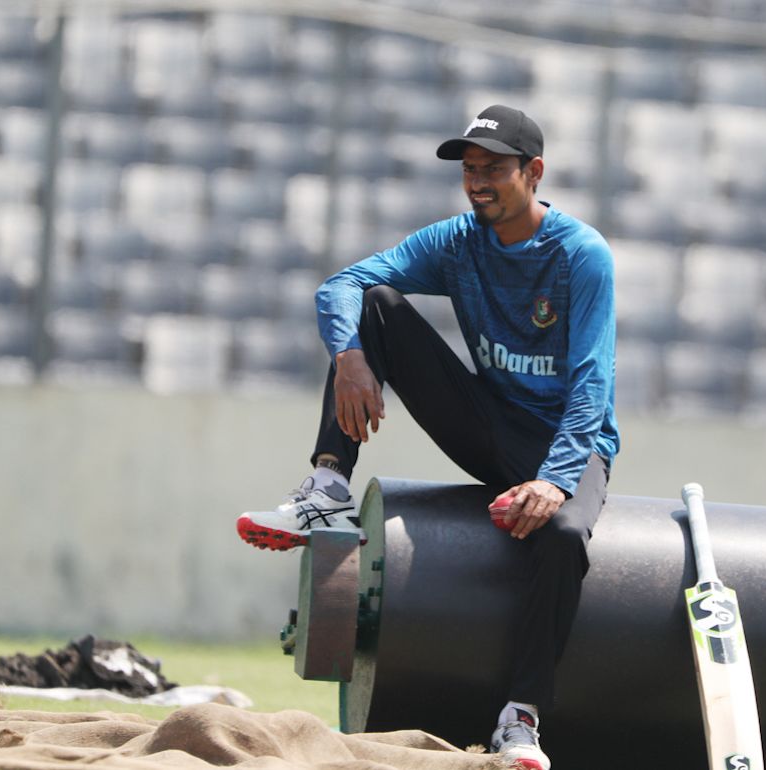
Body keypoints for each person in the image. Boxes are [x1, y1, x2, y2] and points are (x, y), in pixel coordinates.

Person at [236, 104, 619, 770]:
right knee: (374, 307)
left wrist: (555, 482)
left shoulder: (580, 255)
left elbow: (592, 383)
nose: (478, 183)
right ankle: (328, 488)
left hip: (567, 444)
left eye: (493, 169)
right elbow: (343, 284)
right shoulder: (457, 241)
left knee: (560, 537)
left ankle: (520, 718)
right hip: (487, 423)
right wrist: (349, 355)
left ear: (534, 172)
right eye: (470, 170)